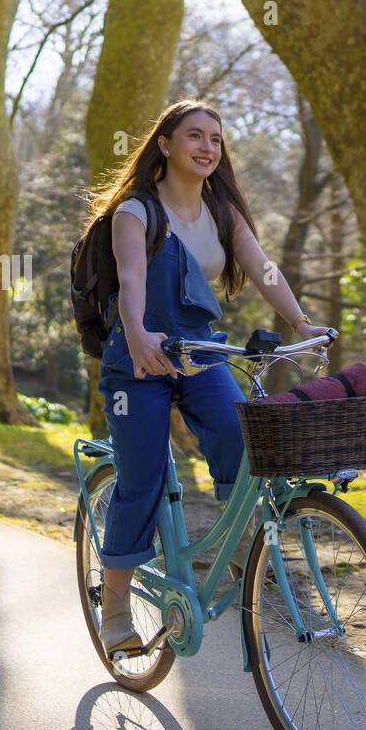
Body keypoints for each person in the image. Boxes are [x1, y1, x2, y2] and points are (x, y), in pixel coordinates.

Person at [85, 99, 330, 657]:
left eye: (215, 140)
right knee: (142, 479)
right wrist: (140, 336)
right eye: (194, 136)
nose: (207, 148)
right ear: (165, 144)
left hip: (200, 354)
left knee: (240, 437)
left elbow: (264, 267)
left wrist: (300, 321)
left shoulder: (223, 214)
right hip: (138, 361)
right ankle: (117, 605)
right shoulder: (135, 211)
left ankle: (242, 541)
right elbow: (129, 281)